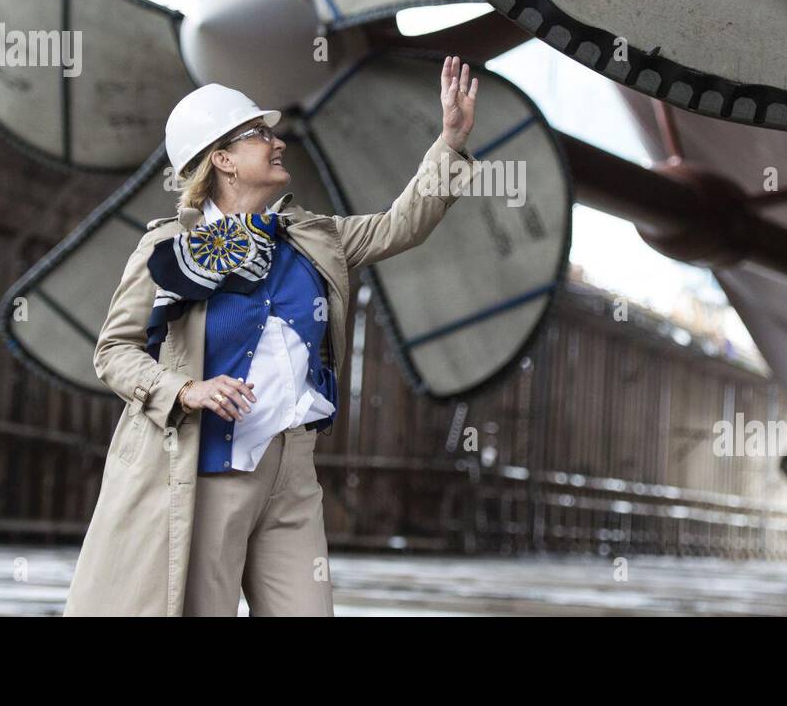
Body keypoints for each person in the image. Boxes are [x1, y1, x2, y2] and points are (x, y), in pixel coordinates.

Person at [63, 56, 478, 616]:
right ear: (223, 159)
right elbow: (113, 352)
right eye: (258, 134)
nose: (276, 141)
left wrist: (449, 142)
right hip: (212, 471)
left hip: (292, 471)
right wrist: (186, 390)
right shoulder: (166, 251)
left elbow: (403, 223)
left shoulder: (313, 239)